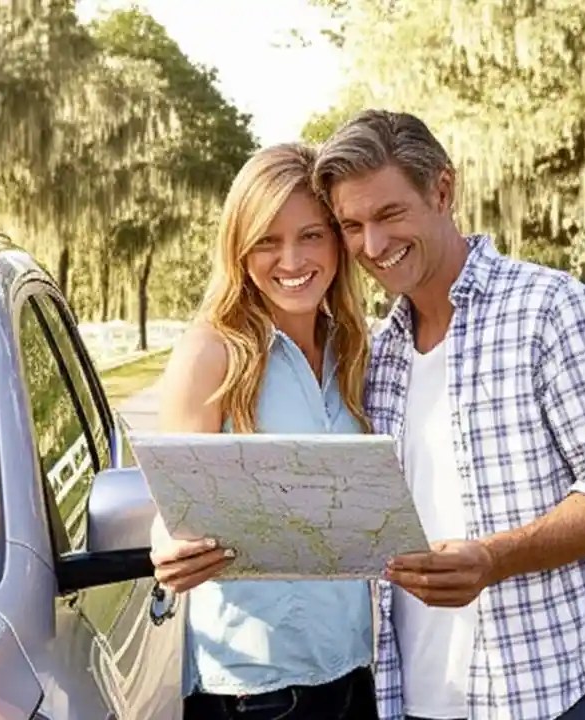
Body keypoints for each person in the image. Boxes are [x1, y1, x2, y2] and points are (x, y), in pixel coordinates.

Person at [311, 110, 585, 720]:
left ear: (443, 190)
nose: (373, 246)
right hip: (407, 697)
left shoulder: (550, 309)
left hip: (538, 693)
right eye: (352, 225)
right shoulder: (379, 353)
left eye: (390, 214)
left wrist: (492, 559)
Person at [147, 142, 379, 720]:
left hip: (354, 670)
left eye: (311, 235)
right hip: (256, 691)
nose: (291, 259)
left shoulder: (353, 349)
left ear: (336, 241)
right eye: (267, 241)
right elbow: (169, 510)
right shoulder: (210, 354)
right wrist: (166, 547)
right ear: (240, 250)